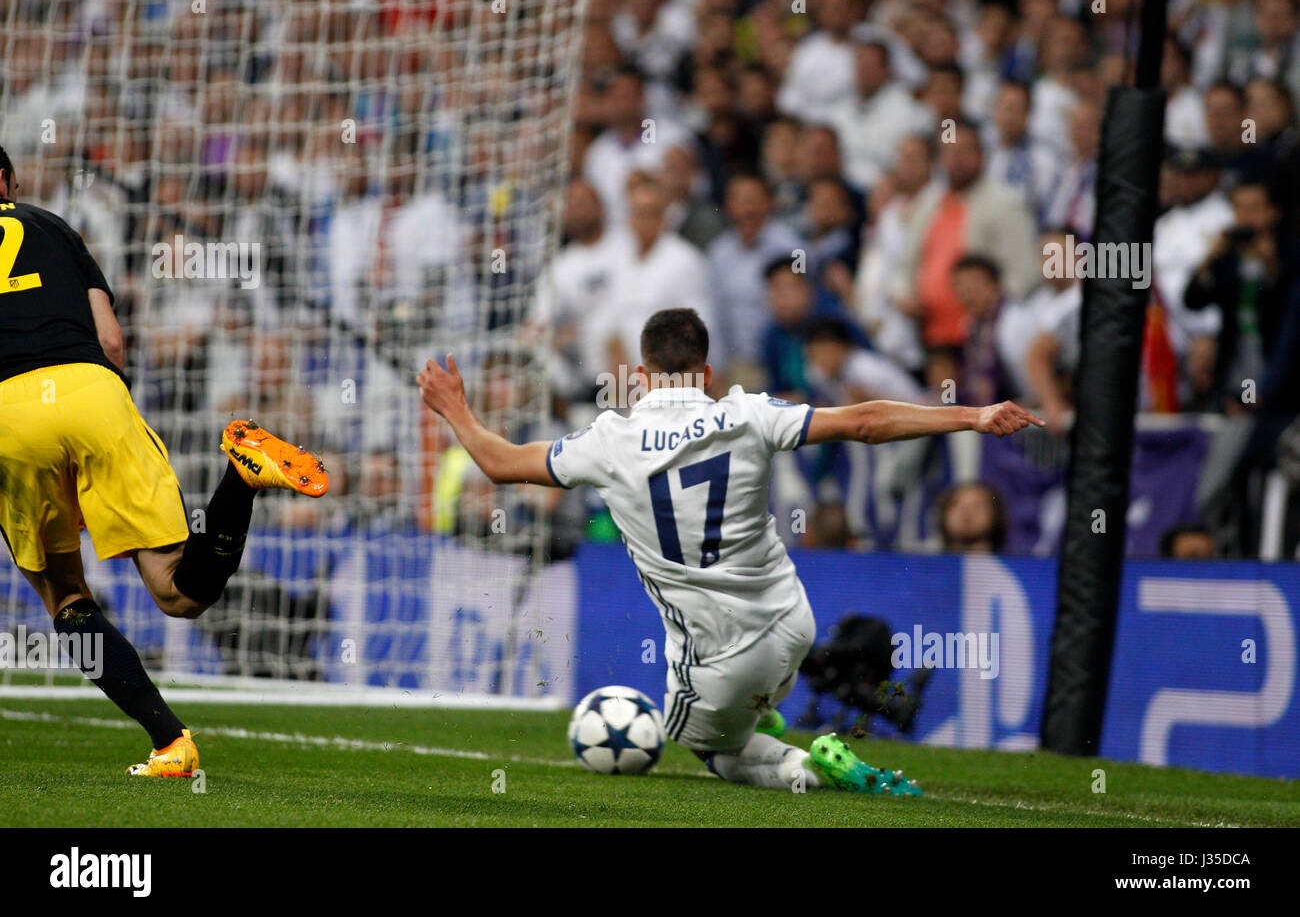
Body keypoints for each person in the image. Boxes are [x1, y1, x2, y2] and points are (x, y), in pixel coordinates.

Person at [417, 307, 1042, 794]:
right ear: (707, 372)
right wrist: (972, 415)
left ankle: (810, 767)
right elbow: (865, 421)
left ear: (639, 375)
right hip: (794, 626)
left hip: (717, 657)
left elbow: (499, 463)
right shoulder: (748, 413)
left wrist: (455, 409)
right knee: (755, 692)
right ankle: (763, 713)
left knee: (712, 751)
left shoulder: (610, 439)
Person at [0, 143, 328, 777]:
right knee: (178, 592)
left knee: (66, 595)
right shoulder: (56, 227)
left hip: (10, 411)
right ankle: (241, 477)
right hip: (92, 389)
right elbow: (113, 339)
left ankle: (170, 741)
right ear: (8, 182)